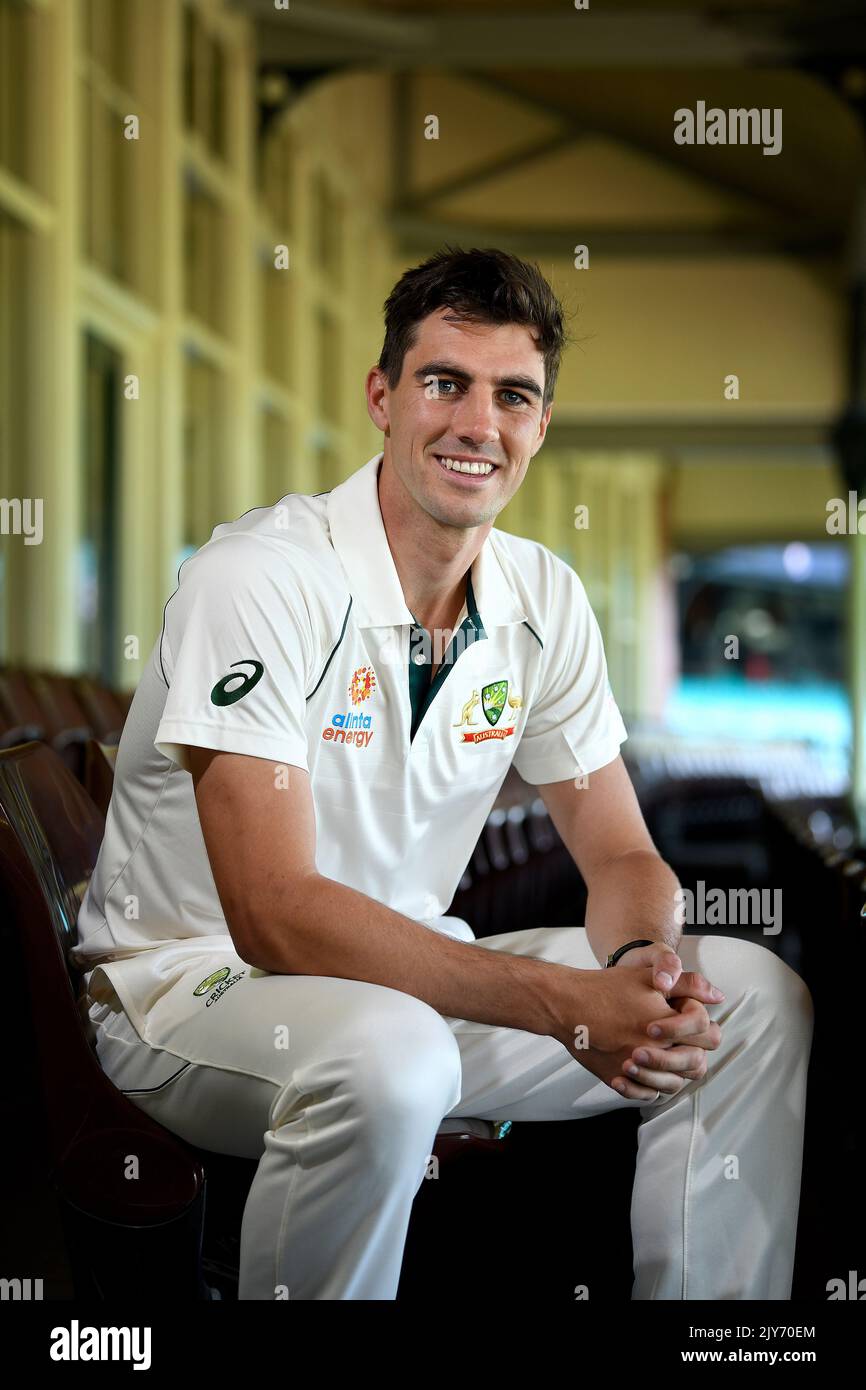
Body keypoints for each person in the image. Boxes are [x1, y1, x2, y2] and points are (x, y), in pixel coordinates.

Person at [74, 247, 813, 1300]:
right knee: (393, 1055)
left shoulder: (541, 598)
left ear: (539, 426)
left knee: (747, 1001)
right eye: (443, 383)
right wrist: (563, 1003)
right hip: (195, 992)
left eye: (511, 394)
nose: (477, 423)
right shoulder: (260, 578)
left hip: (412, 984)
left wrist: (640, 966)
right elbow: (272, 914)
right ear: (382, 397)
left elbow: (615, 847)